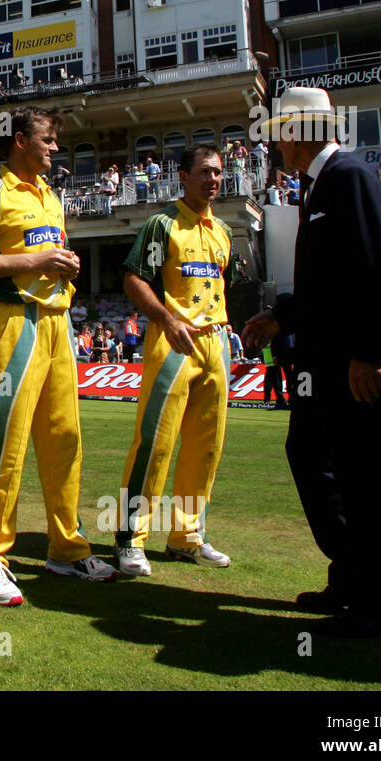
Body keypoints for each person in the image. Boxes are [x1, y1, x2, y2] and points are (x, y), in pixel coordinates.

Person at [244, 85, 381, 637]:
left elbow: (376, 269)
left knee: (362, 481)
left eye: (282, 133)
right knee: (312, 458)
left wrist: (369, 353)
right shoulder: (318, 186)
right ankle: (351, 575)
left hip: (356, 368)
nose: (277, 146)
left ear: (301, 132)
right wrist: (283, 316)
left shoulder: (349, 178)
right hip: (326, 367)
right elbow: (329, 284)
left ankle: (376, 603)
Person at [0, 105, 117, 606]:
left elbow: (46, 256)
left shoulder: (50, 195)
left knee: (64, 437)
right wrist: (38, 260)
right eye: (47, 139)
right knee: (7, 443)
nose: (55, 147)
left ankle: (66, 548)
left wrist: (61, 265)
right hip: (13, 321)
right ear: (20, 140)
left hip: (57, 323)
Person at [115, 144, 234, 578]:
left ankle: (187, 536)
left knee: (206, 446)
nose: (213, 180)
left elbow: (226, 285)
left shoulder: (223, 231)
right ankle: (130, 538)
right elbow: (133, 279)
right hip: (173, 343)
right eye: (204, 172)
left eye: (218, 172)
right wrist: (166, 318)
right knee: (156, 443)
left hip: (215, 344)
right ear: (183, 177)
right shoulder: (162, 225)